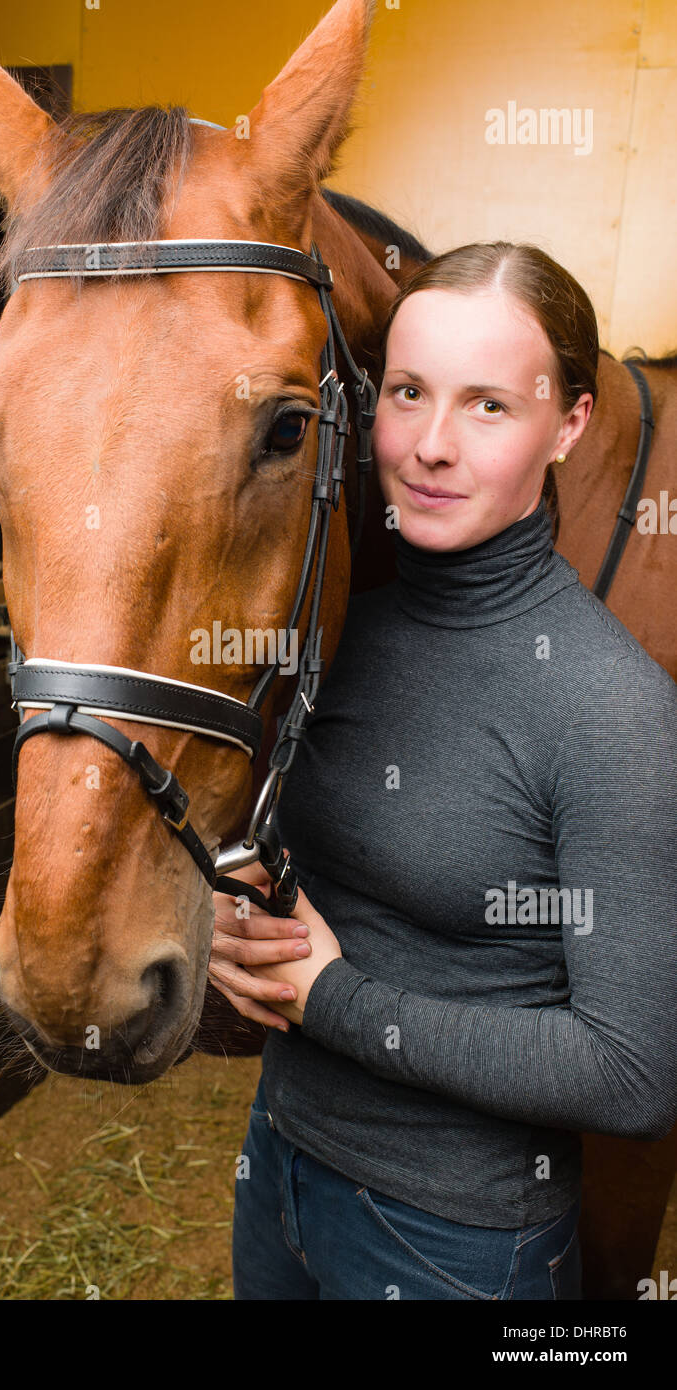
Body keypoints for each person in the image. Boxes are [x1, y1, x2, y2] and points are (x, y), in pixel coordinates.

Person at [209, 241, 677, 1301]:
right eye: (407, 393)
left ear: (567, 424)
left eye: (486, 407)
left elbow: (631, 1073)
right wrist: (242, 893)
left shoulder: (610, 710)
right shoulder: (337, 631)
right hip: (277, 1165)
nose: (427, 445)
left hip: (453, 1240)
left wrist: (329, 996)